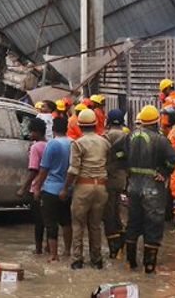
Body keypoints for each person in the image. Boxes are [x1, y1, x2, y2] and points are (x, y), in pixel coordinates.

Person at [123, 104, 175, 274]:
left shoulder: (130, 136)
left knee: (133, 223)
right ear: (156, 122)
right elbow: (174, 158)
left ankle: (131, 263)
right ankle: (149, 267)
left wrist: (127, 168)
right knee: (153, 226)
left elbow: (117, 153)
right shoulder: (160, 139)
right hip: (153, 189)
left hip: (133, 187)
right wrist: (165, 172)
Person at [62, 108, 110, 269]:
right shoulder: (104, 142)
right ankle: (97, 260)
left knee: (78, 225)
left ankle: (77, 260)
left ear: (80, 126)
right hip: (101, 187)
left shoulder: (78, 144)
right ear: (96, 125)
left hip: (83, 186)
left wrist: (65, 189)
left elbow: (73, 170)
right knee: (95, 226)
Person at [32, 116, 72, 261]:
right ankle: (67, 251)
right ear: (67, 128)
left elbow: (44, 170)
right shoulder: (72, 143)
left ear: (53, 129)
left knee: (50, 223)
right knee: (67, 221)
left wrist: (37, 187)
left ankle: (54, 255)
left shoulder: (52, 144)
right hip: (67, 189)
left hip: (51, 189)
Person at [16, 117, 47, 254]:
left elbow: (33, 170)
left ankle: (38, 248)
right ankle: (49, 247)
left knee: (38, 221)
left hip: (36, 187)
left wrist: (23, 188)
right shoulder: (50, 145)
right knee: (49, 220)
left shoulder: (35, 147)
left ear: (37, 132)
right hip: (49, 187)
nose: (29, 135)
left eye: (31, 132)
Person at [103, 108, 129, 258]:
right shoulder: (127, 135)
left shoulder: (107, 137)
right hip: (122, 180)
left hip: (109, 179)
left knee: (109, 215)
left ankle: (114, 249)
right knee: (119, 212)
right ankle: (123, 246)